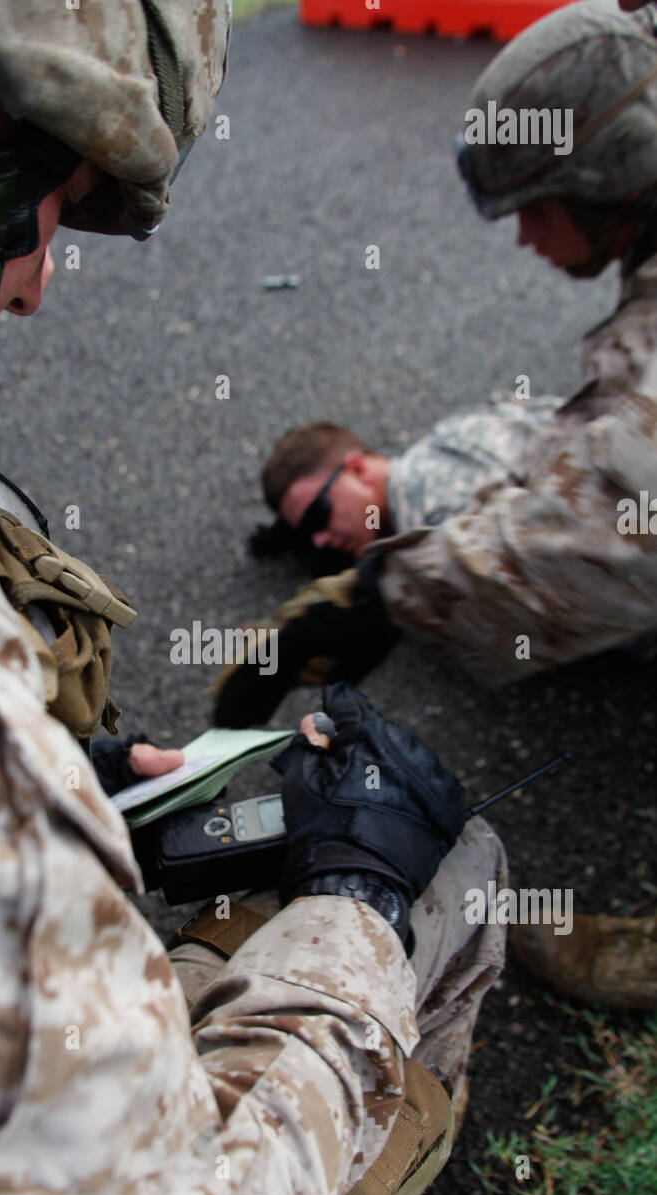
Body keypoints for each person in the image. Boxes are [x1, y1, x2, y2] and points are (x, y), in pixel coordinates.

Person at [0, 0, 508, 1195]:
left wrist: (67, 776)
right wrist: (356, 917)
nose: (33, 278)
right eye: (51, 204)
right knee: (452, 870)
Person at [214, 0, 657, 717]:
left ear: (611, 177)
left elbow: (621, 528)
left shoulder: (424, 489)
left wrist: (390, 594)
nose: (524, 238)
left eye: (538, 209)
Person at [258, 400, 561, 564]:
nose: (318, 540)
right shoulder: (441, 441)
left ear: (357, 469)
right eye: (307, 531)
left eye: (318, 516)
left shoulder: (435, 516)